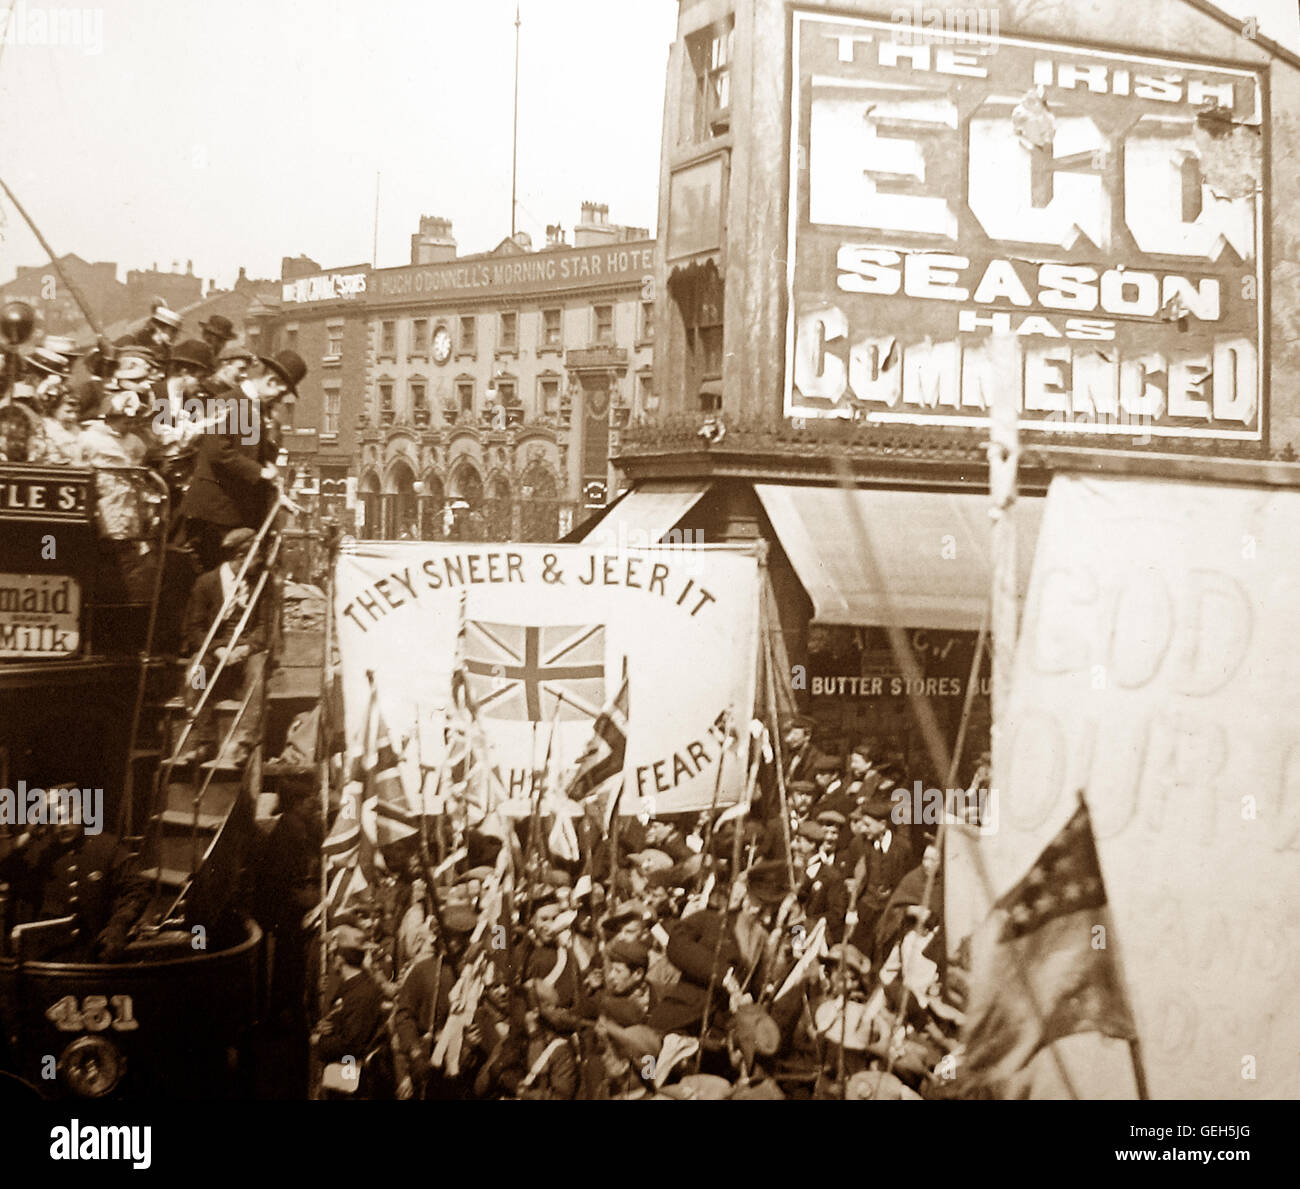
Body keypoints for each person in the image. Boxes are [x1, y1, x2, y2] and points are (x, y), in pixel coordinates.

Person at [178, 349, 304, 573]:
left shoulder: (256, 409)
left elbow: (257, 456)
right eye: (279, 394)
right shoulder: (228, 402)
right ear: (271, 381)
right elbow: (218, 451)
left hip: (233, 512)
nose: (278, 401)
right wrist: (259, 472)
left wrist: (277, 492)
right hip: (214, 513)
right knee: (212, 582)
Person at [0, 786, 150, 962]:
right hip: (42, 962)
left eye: (69, 815)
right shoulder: (35, 853)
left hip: (92, 957)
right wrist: (27, 835)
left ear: (83, 812)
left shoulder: (106, 848)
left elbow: (137, 890)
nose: (62, 824)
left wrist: (119, 925)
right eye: (55, 818)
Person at [180, 527, 268, 766]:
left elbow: (263, 628)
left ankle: (245, 743)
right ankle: (205, 741)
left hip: (245, 652)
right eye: (256, 557)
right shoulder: (206, 583)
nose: (259, 562)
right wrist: (218, 649)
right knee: (196, 674)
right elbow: (195, 629)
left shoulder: (259, 585)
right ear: (242, 557)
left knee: (257, 674)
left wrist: (246, 649)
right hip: (214, 650)